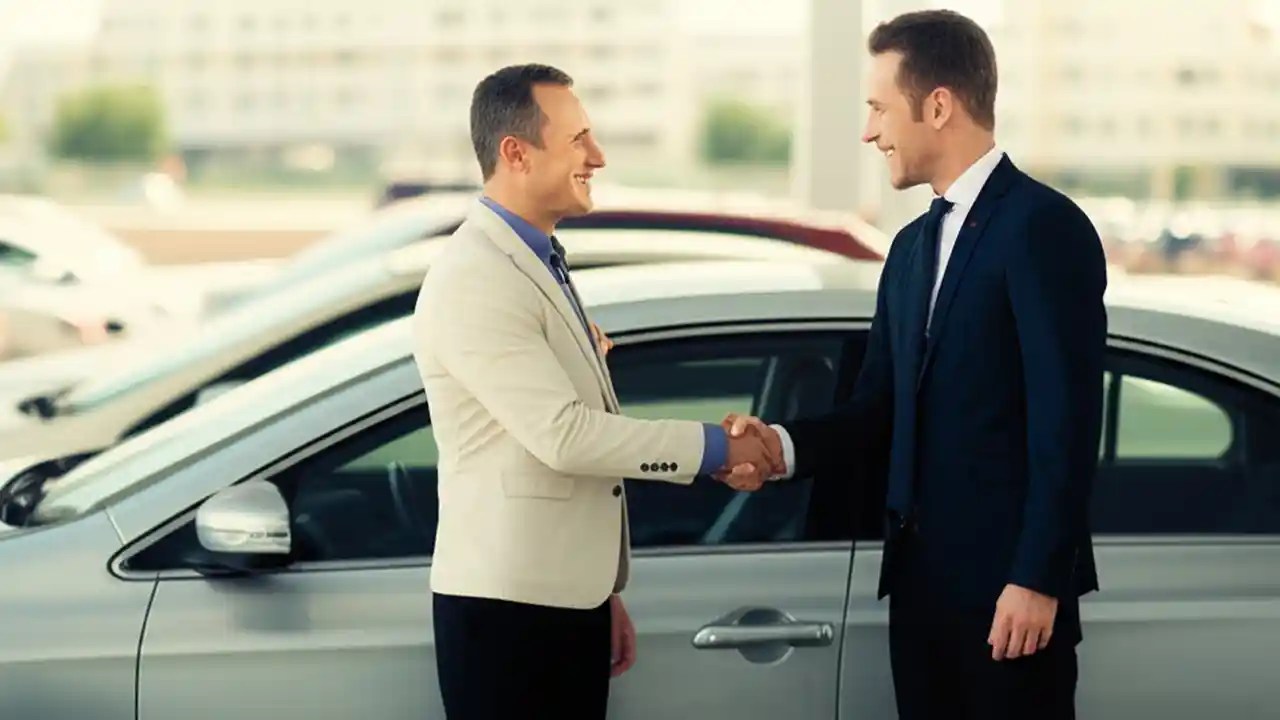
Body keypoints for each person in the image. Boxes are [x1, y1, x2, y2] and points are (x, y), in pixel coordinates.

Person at [722, 10, 1107, 720]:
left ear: (938, 106)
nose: (869, 132)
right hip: (921, 597)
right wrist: (780, 446)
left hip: (1009, 604)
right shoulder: (906, 251)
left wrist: (1036, 578)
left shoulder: (1043, 227)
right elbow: (878, 410)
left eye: (877, 108)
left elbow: (1069, 418)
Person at [412, 64, 776, 720]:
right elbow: (566, 435)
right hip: (510, 618)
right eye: (579, 139)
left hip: (558, 599)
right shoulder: (478, 276)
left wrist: (599, 590)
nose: (598, 156)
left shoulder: (536, 259)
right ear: (515, 153)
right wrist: (719, 448)